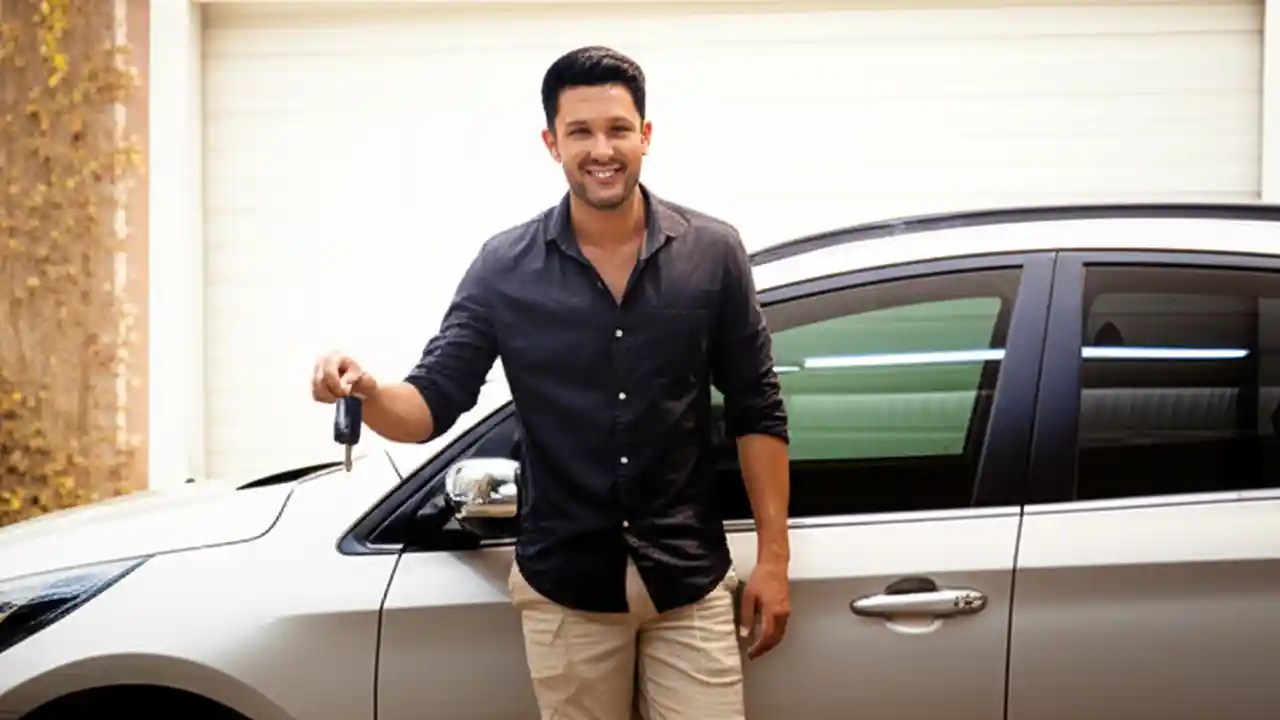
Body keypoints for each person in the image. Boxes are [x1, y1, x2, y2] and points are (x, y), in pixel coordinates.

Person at [311, 45, 791, 720]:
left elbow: (758, 411)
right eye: (581, 132)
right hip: (566, 593)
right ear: (551, 143)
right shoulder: (505, 267)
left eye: (619, 129)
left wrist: (774, 559)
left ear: (646, 136)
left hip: (689, 584)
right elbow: (430, 404)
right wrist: (365, 388)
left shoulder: (713, 253)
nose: (603, 149)